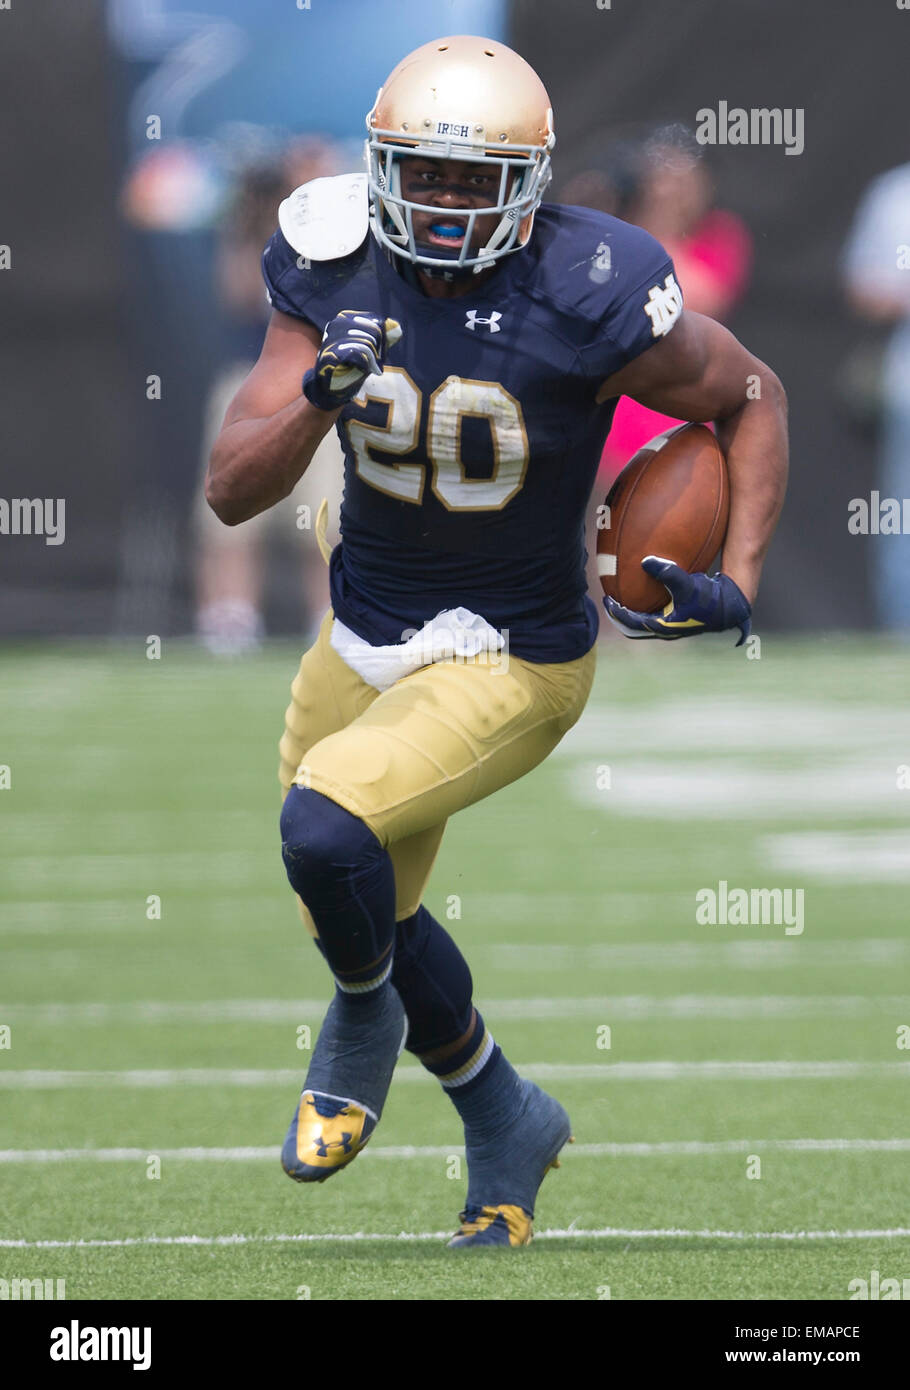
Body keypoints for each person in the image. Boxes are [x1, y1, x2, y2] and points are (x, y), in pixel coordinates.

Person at [205, 35, 788, 1248]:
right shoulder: (330, 252)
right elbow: (227, 488)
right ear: (378, 168)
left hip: (511, 650)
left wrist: (736, 577)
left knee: (325, 830)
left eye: (475, 179)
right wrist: (321, 396)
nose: (444, 201)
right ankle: (502, 1112)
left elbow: (750, 397)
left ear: (529, 181)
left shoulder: (591, 282)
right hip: (358, 633)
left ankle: (358, 1023)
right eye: (422, 172)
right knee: (356, 892)